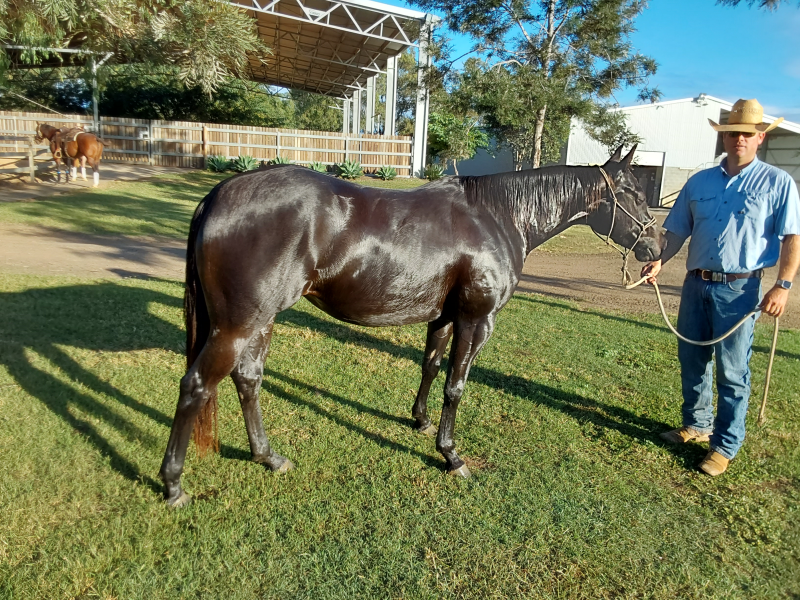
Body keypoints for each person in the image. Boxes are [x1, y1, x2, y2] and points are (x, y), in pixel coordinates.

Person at [641, 98, 800, 476]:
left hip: (741, 292)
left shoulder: (778, 183)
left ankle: (725, 445)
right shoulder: (699, 181)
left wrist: (783, 285)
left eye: (746, 134)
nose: (738, 140)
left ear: (760, 137)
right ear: (723, 137)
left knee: (732, 370)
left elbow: (792, 237)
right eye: (732, 133)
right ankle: (696, 425)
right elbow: (678, 228)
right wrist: (662, 258)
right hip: (695, 286)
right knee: (692, 360)